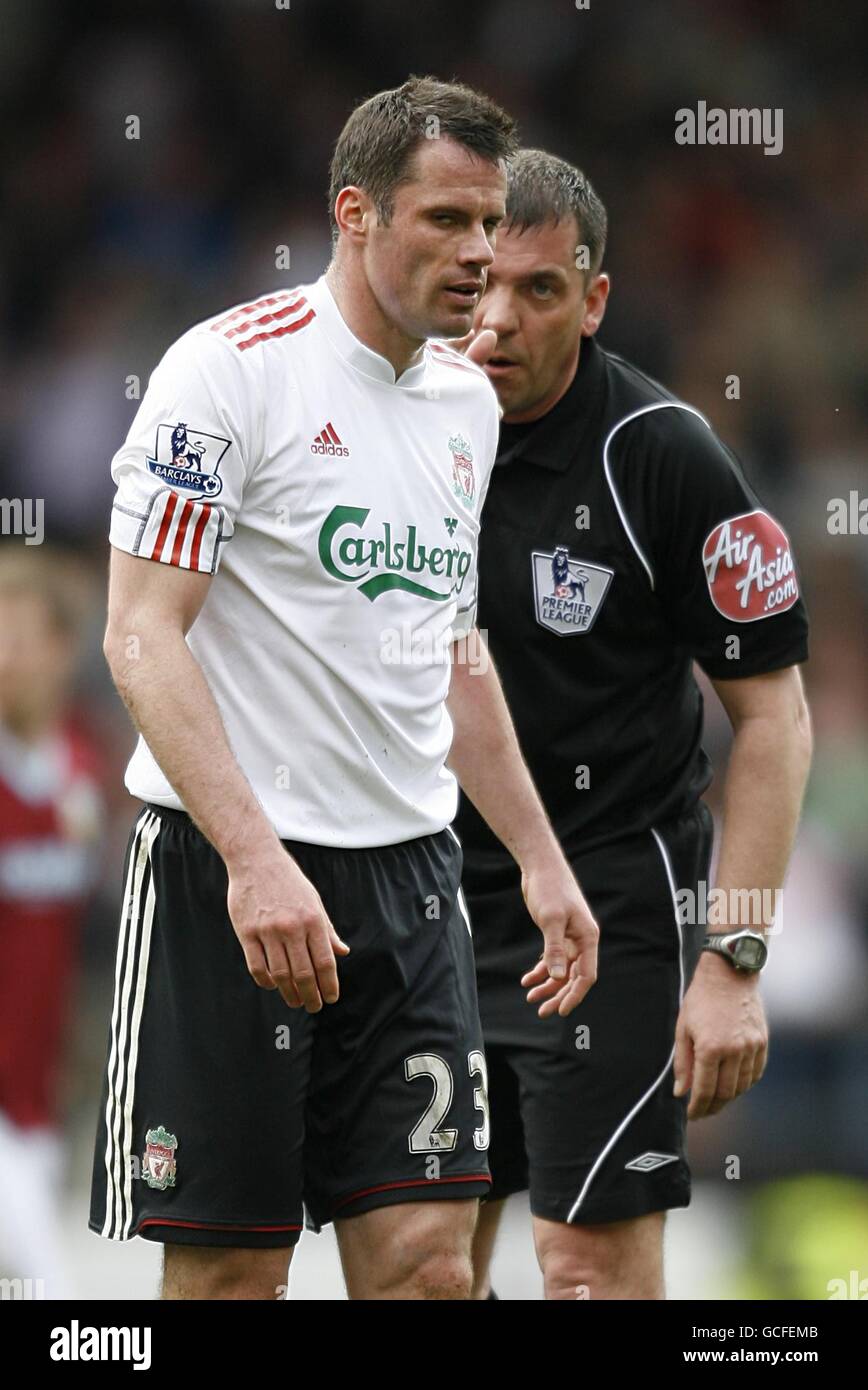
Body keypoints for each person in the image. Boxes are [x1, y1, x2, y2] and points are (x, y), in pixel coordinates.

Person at [88, 84, 599, 1301]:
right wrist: (257, 857)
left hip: (414, 888)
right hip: (229, 878)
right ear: (356, 213)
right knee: (229, 1279)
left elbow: (450, 646)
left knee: (430, 1269)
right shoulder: (225, 372)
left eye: (491, 220)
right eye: (446, 219)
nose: (479, 251)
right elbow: (140, 635)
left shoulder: (468, 404)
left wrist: (536, 852)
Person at [453, 149, 813, 1300]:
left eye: (540, 290)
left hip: (607, 894)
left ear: (593, 298)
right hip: (421, 886)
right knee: (419, 1267)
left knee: (584, 1270)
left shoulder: (661, 454)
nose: (498, 321)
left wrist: (735, 958)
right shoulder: (396, 430)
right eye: (480, 285)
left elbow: (774, 724)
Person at [0, 551, 103, 1298]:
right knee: (48, 1292)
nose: (5, 658)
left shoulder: (83, 757)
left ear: (65, 648)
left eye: (21, 637)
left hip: (35, 1093)